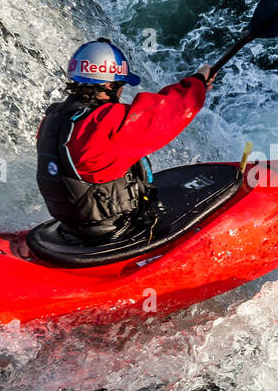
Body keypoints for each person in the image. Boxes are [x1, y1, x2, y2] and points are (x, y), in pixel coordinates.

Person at [36, 38, 213, 244]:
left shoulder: (53, 117)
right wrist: (198, 82)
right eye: (120, 84)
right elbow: (167, 111)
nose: (122, 91)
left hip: (72, 227)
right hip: (114, 232)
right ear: (109, 85)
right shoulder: (105, 123)